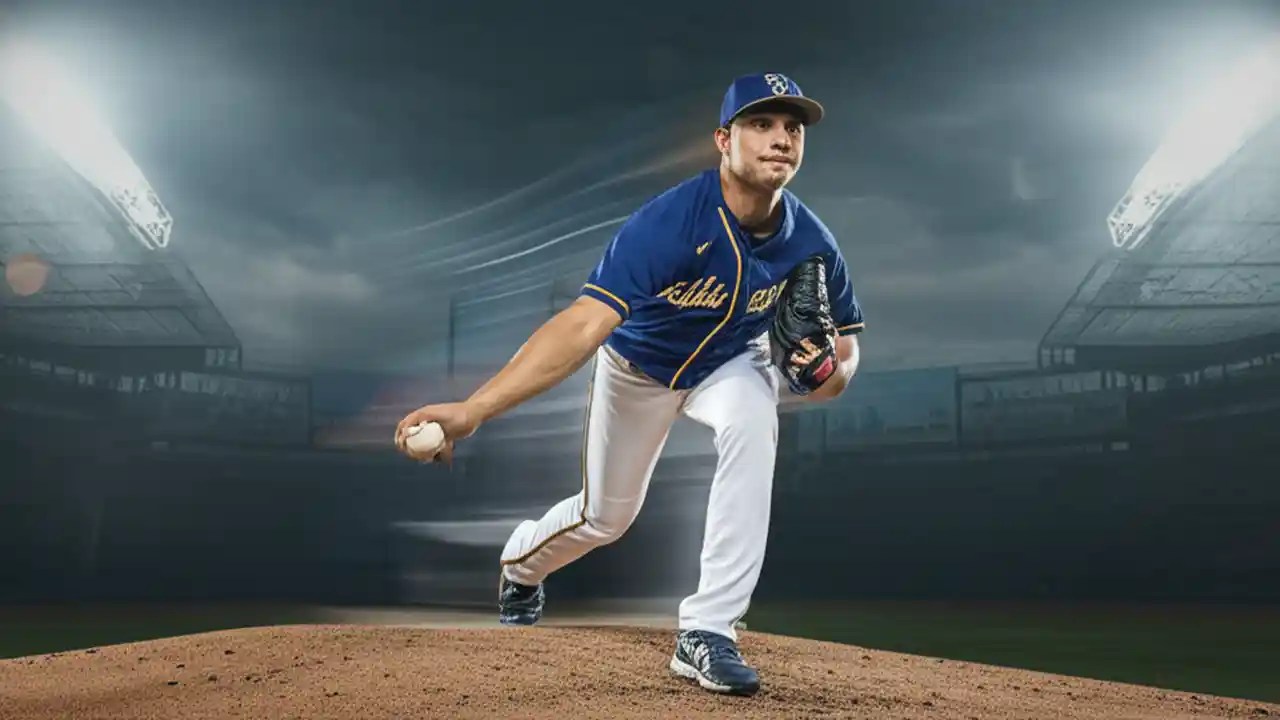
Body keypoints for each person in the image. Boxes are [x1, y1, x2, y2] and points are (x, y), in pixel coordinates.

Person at [395, 72, 865, 697]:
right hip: (637, 370)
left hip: (726, 365)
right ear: (723, 140)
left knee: (755, 419)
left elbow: (845, 356)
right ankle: (520, 566)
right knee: (605, 518)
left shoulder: (813, 242)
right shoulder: (669, 223)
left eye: (793, 128)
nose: (781, 138)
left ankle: (709, 630)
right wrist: (475, 410)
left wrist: (825, 374)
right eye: (761, 124)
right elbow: (583, 323)